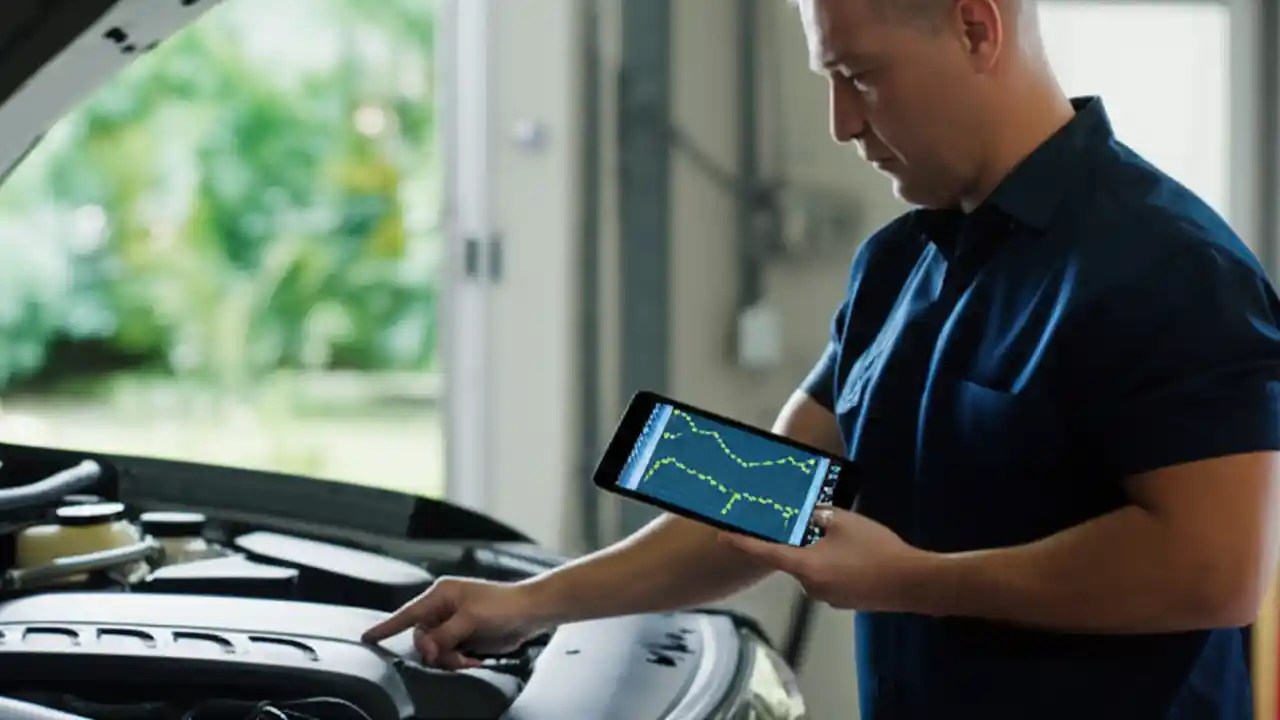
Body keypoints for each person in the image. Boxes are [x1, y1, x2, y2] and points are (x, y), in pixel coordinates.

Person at [364, 0, 1280, 716]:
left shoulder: (1175, 268)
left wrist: (911, 581)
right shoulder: (895, 264)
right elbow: (773, 498)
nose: (842, 121)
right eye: (828, 78)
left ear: (975, 27)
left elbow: (1216, 570)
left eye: (862, 76)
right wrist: (532, 600)